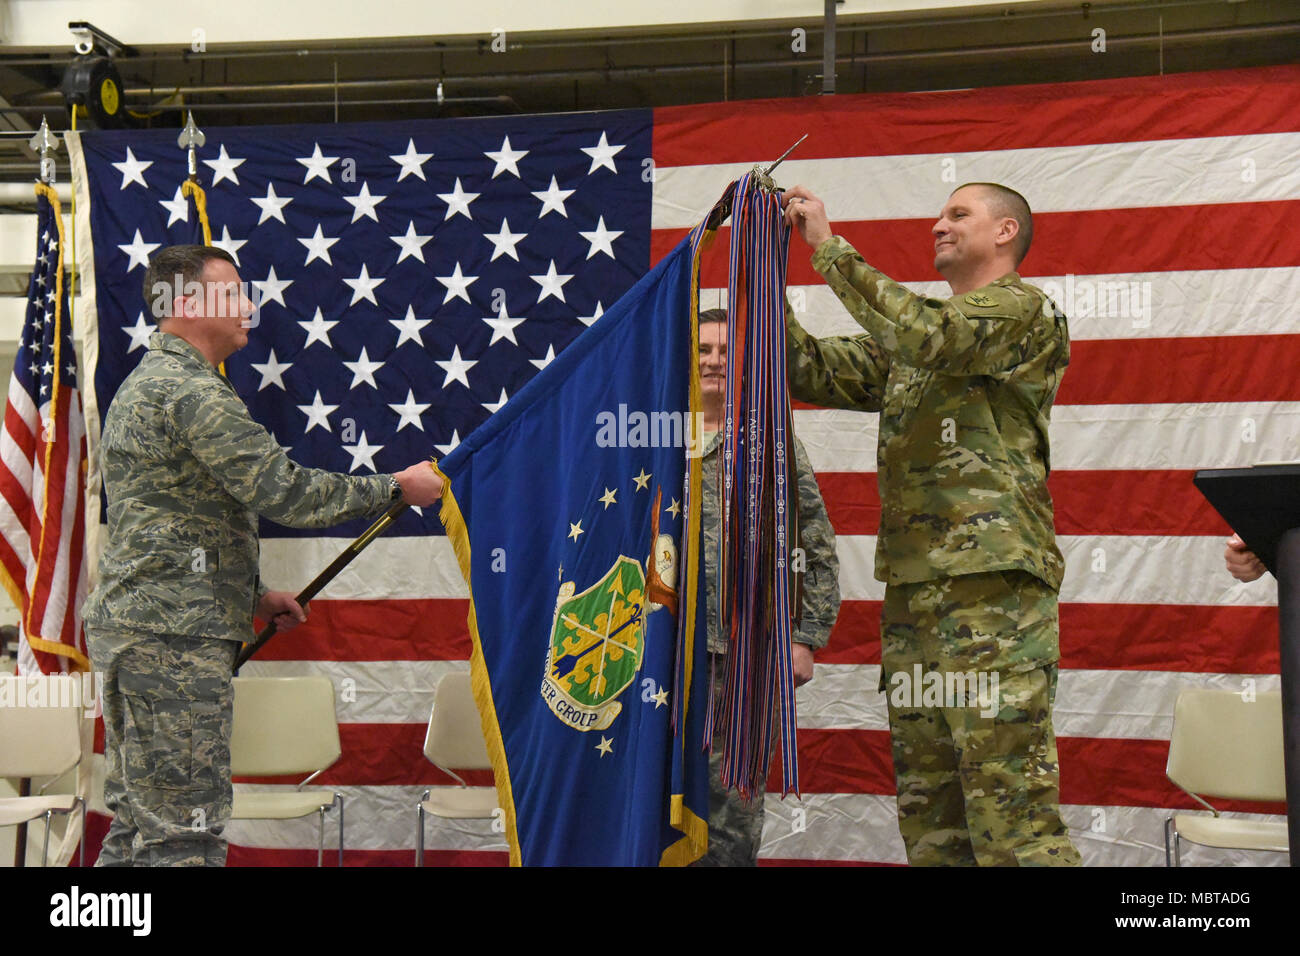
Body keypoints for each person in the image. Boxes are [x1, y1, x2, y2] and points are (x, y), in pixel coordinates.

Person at [83, 244, 443, 866]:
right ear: (187, 302)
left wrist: (250, 597)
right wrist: (396, 489)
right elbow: (287, 492)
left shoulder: (152, 382)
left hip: (147, 631)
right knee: (181, 836)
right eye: (234, 293)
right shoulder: (190, 393)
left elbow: (163, 526)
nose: (250, 306)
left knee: (141, 826)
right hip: (170, 643)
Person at [778, 182, 1081, 866]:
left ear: (1005, 232)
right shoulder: (917, 339)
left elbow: (931, 335)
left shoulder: (1019, 311)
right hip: (917, 592)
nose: (937, 224)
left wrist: (827, 246)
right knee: (933, 814)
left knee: (1011, 813)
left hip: (991, 588)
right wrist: (762, 279)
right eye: (941, 214)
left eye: (958, 214)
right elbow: (811, 369)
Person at [691, 307, 841, 866]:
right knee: (657, 808)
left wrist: (805, 636)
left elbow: (813, 539)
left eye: (726, 352)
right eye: (703, 350)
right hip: (662, 652)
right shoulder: (652, 437)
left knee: (732, 813)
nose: (713, 361)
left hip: (744, 654)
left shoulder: (769, 441)